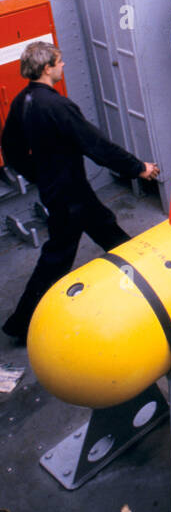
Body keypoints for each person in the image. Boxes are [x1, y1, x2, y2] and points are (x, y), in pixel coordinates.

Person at [1, 42, 158, 343]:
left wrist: (39, 175)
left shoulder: (22, 101)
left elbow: (11, 151)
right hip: (70, 193)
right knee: (58, 257)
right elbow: (97, 146)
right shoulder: (58, 106)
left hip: (60, 190)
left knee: (108, 232)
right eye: (59, 61)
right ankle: (21, 324)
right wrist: (138, 167)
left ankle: (148, 279)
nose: (63, 65)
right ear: (46, 68)